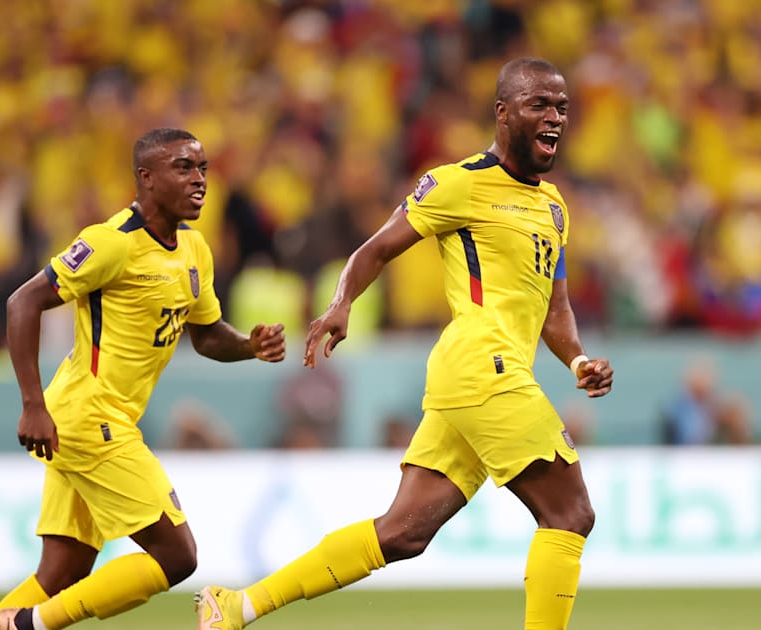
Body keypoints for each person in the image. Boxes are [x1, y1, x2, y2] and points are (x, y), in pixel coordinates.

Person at [196, 57, 613, 630]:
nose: (554, 117)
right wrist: (341, 304)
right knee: (571, 514)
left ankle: (239, 605)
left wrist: (578, 360)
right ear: (503, 112)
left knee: (403, 533)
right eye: (539, 104)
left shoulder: (554, 206)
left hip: (479, 378)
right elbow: (375, 249)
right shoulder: (458, 182)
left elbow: (554, 307)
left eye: (561, 106)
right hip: (482, 366)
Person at [0, 128, 286, 630]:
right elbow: (23, 302)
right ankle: (26, 626)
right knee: (177, 555)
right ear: (146, 178)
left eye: (203, 167)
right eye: (183, 168)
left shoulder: (194, 249)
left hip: (93, 419)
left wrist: (249, 347)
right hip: (88, 418)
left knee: (64, 570)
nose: (199, 180)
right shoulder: (110, 243)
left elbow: (208, 336)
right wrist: (31, 404)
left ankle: (13, 623)